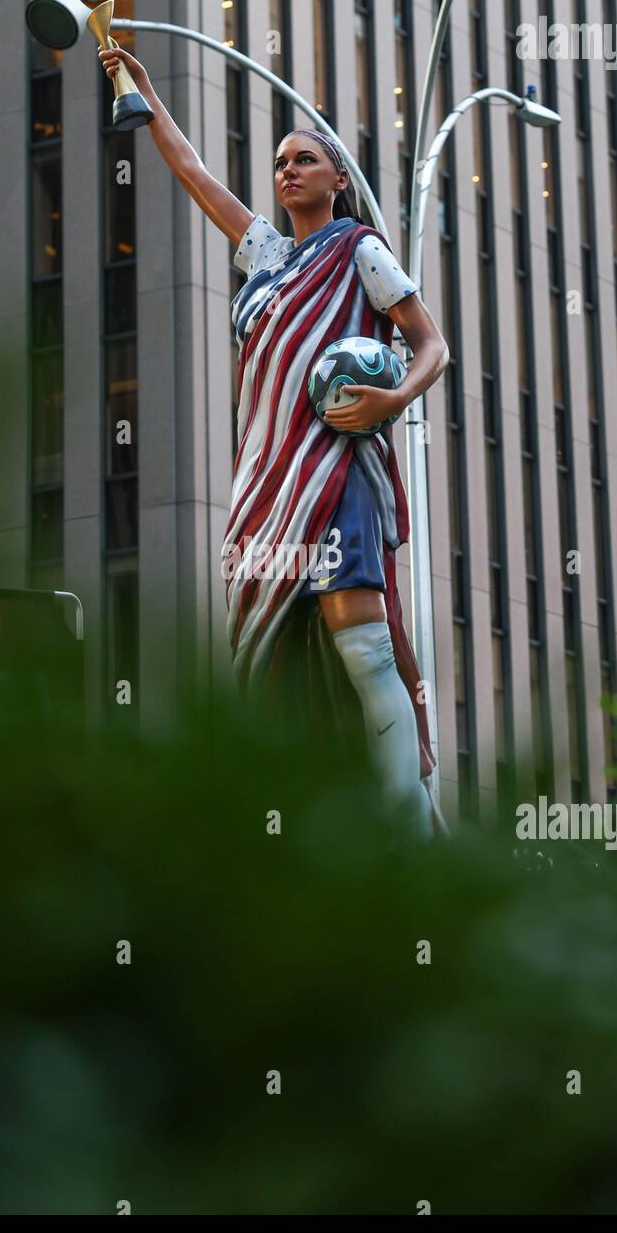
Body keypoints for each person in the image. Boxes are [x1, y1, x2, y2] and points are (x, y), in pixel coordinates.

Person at [100, 43, 449, 838]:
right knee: (272, 660)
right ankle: (287, 819)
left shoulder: (361, 250)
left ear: (336, 179)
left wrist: (392, 396)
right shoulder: (265, 255)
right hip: (263, 481)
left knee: (360, 643)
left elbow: (431, 344)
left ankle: (409, 826)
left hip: (334, 467)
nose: (287, 170)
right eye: (281, 161)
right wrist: (144, 88)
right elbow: (190, 170)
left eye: (305, 160)